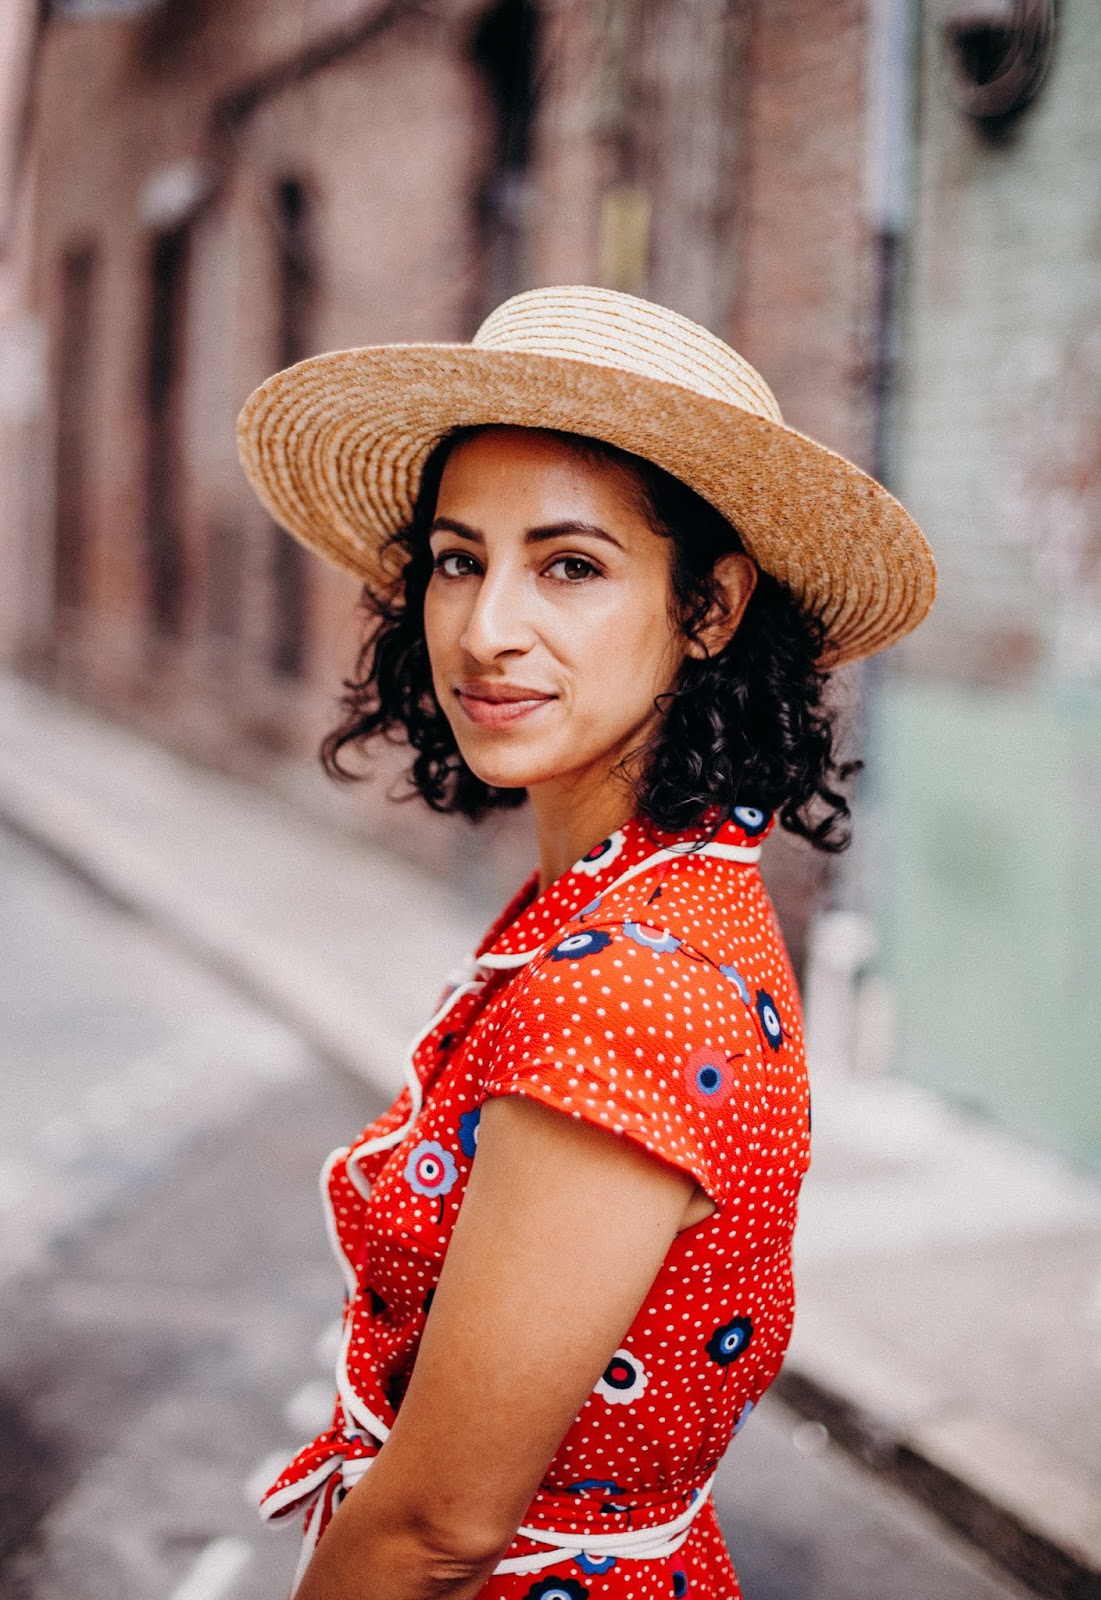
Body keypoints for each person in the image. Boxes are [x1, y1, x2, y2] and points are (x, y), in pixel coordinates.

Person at [236, 285, 935, 1600]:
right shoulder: (649, 891)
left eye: (569, 565)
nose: (487, 628)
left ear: (710, 606)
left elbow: (440, 1530)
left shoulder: (626, 992)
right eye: (458, 559)